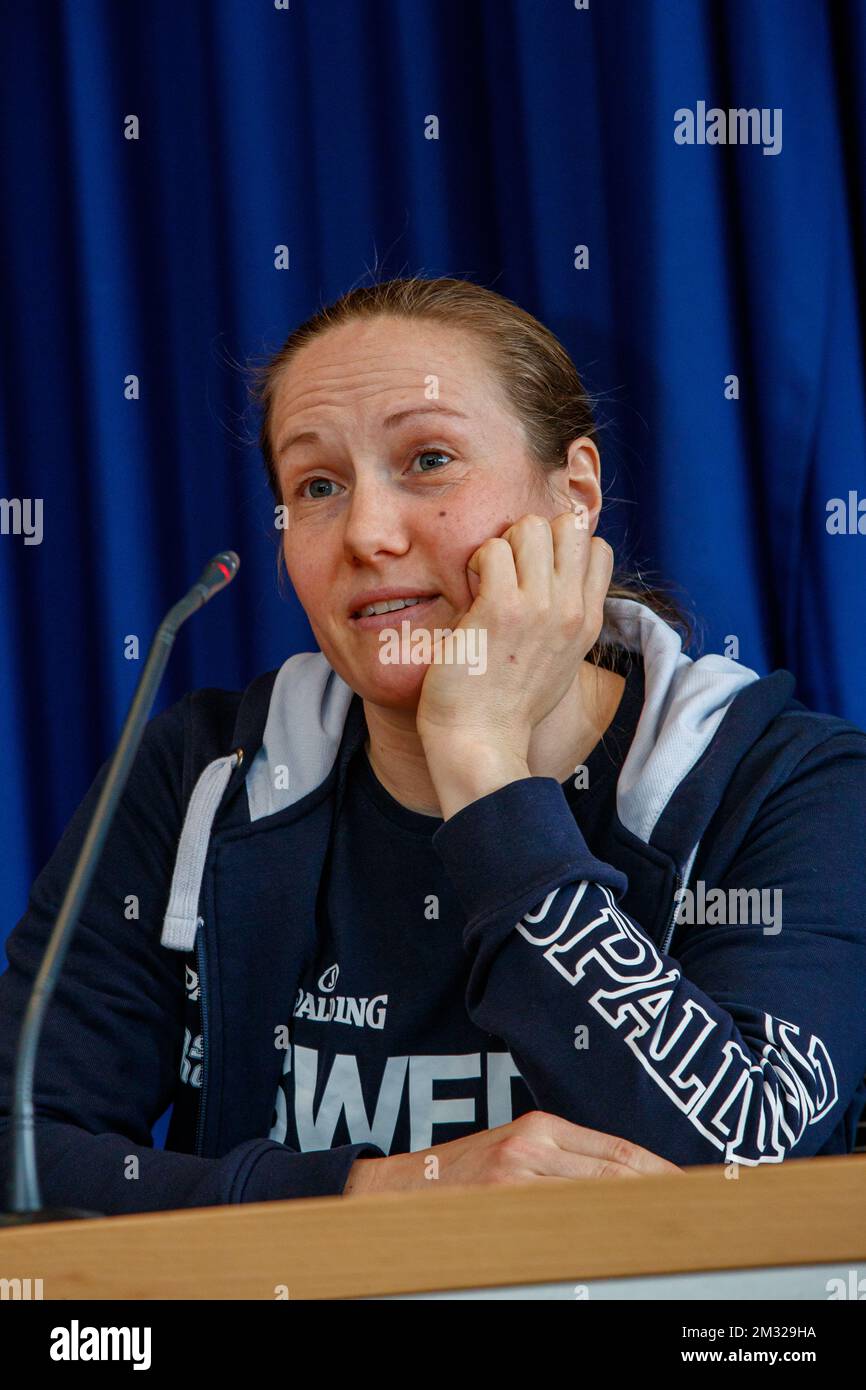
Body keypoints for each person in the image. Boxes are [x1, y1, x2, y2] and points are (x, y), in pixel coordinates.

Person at [1, 277, 865, 1216]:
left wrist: (483, 765)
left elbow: (735, 1174)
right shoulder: (203, 776)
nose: (368, 533)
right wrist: (375, 1192)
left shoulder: (790, 786)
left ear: (575, 495)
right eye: (318, 486)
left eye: (429, 460)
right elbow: (21, 1151)